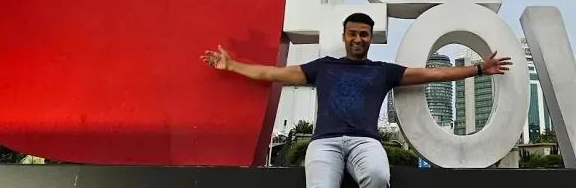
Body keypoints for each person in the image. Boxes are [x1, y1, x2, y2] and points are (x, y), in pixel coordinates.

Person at [201, 12, 511, 188]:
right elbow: (274, 73)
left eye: (364, 34)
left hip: (365, 142)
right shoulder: (323, 68)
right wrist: (232, 66)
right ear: (345, 36)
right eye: (353, 33)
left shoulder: (383, 72)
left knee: (378, 177)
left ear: (370, 38)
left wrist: (480, 69)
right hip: (325, 142)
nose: (358, 39)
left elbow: (433, 75)